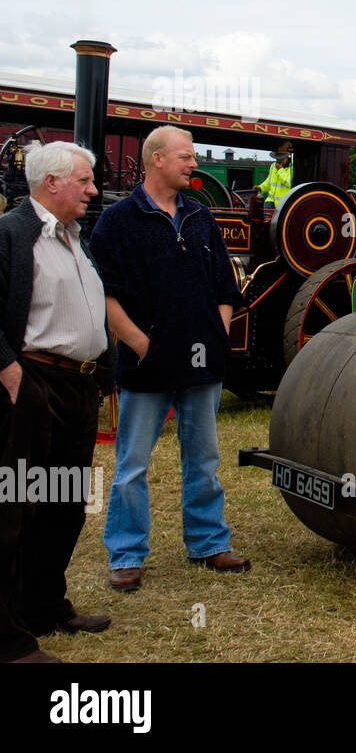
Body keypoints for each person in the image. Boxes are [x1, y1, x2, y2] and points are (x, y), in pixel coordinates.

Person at [92, 126, 249, 593]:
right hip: (146, 366)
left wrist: (218, 332)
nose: (193, 164)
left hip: (203, 364)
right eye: (185, 156)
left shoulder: (200, 217)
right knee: (132, 464)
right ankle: (125, 553)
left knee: (202, 457)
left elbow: (225, 286)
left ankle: (207, 542)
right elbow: (104, 294)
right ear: (156, 159)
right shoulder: (118, 221)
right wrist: (141, 345)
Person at [0, 141, 113, 663]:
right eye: (85, 181)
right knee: (14, 511)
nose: (94, 190)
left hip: (77, 388)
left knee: (64, 504)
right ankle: (8, 637)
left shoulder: (74, 237)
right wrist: (9, 371)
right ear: (51, 183)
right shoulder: (10, 234)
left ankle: (44, 606)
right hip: (32, 386)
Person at [257, 142, 293, 209]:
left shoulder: (292, 167)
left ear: (287, 157)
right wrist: (260, 188)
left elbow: (289, 183)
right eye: (277, 159)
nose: (279, 161)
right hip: (270, 201)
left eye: (281, 158)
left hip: (284, 202)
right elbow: (269, 182)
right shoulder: (273, 166)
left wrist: (280, 170)